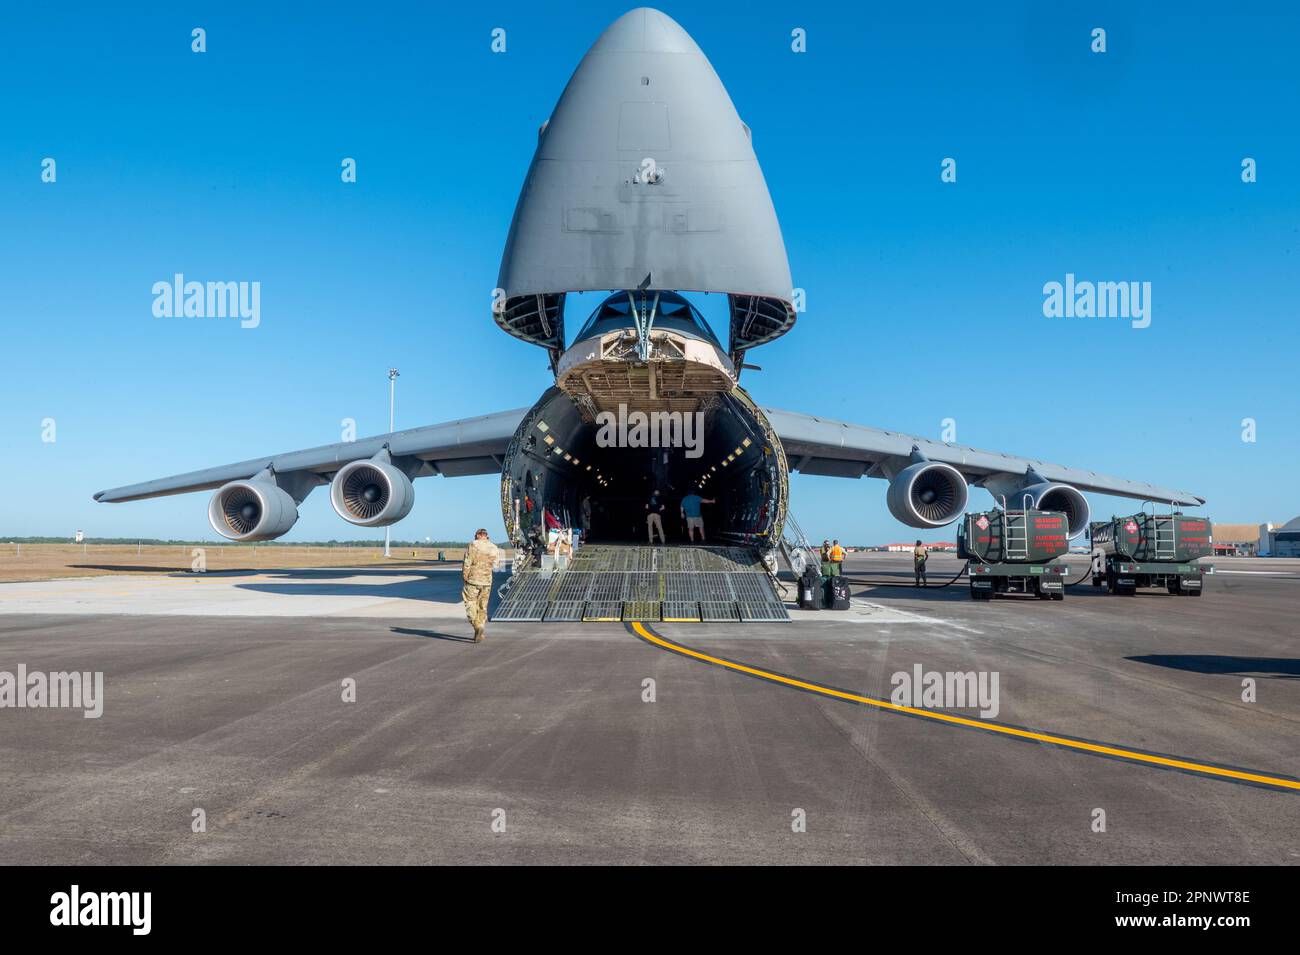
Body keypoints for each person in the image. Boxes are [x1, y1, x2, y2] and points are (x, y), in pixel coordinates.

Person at [462, 528, 500, 643]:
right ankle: (481, 628)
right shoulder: (494, 547)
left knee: (470, 603)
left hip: (473, 580)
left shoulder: (473, 545)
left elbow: (467, 561)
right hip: (487, 582)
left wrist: (465, 576)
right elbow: (497, 566)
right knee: (483, 607)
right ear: (486, 536)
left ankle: (477, 626)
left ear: (478, 535)